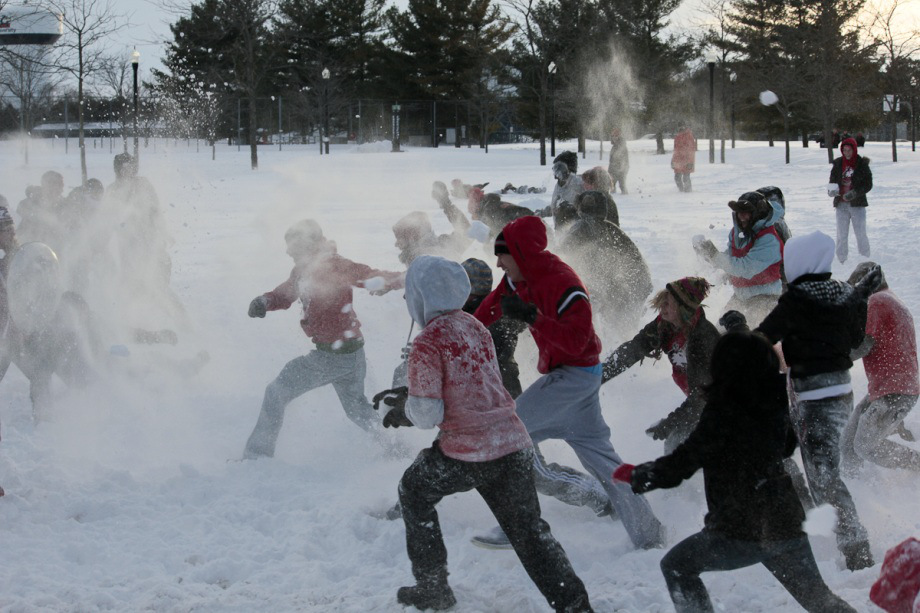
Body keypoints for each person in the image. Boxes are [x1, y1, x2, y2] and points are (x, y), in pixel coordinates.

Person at [382, 255, 594, 612]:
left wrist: (401, 409)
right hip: (512, 444)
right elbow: (472, 386)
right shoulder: (474, 325)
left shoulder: (427, 343)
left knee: (414, 491)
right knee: (530, 534)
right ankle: (575, 605)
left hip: (466, 452)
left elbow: (427, 413)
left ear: (421, 295)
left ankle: (433, 587)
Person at [613, 331, 858, 613]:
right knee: (819, 599)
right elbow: (787, 446)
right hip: (785, 520)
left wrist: (639, 475)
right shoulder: (776, 399)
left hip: (742, 528)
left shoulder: (722, 410)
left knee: (676, 567)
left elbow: (685, 460)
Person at [471, 215, 665, 551]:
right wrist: (458, 334)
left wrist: (532, 317)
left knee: (506, 433)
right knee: (605, 465)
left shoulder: (565, 284)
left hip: (573, 375)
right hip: (578, 380)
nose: (497, 261)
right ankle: (651, 536)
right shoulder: (518, 279)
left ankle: (520, 523)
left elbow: (577, 342)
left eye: (503, 255)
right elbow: (489, 311)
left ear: (522, 254)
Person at [754, 230, 876, 571]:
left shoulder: (796, 299)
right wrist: (860, 299)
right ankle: (813, 517)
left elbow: (764, 337)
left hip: (813, 396)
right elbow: (854, 340)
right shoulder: (843, 293)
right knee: (801, 462)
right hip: (840, 391)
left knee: (823, 473)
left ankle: (856, 546)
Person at [242, 219, 403, 459]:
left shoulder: (336, 265)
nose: (288, 252)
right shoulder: (302, 270)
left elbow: (370, 275)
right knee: (358, 411)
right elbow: (285, 293)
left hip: (333, 356)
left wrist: (408, 277)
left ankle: (256, 457)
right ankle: (397, 451)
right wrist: (265, 301)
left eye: (293, 247)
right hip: (351, 353)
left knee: (276, 392)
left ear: (309, 244)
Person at [602, 277, 719, 453]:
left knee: (679, 446)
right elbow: (634, 349)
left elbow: (702, 398)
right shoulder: (664, 327)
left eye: (668, 302)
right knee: (677, 446)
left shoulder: (702, 338)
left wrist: (671, 422)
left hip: (726, 403)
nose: (662, 305)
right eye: (663, 299)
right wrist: (596, 376)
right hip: (699, 401)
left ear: (683, 309)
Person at [841, 262, 920, 473]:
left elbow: (864, 344)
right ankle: (854, 487)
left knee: (865, 445)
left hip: (894, 391)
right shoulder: (890, 298)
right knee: (848, 443)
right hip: (890, 388)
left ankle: (917, 464)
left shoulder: (877, 302)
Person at [560, 191, 650, 333]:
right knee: (617, 331)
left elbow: (562, 254)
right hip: (619, 287)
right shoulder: (611, 229)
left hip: (608, 289)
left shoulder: (580, 228)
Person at [694, 190, 785, 326]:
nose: (742, 217)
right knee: (721, 330)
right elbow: (730, 257)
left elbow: (745, 269)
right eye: (739, 212)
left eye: (747, 212)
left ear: (758, 213)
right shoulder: (737, 232)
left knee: (750, 338)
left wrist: (715, 256)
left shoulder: (769, 239)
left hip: (765, 298)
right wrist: (707, 255)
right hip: (741, 296)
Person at [829, 136, 872, 263]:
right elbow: (832, 181)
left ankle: (865, 259)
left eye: (849, 150)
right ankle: (841, 259)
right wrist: (832, 190)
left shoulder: (862, 164)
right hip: (841, 205)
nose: (847, 153)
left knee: (861, 233)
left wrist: (854, 193)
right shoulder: (837, 164)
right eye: (845, 150)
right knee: (841, 235)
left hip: (857, 205)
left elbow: (868, 184)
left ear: (854, 150)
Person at [671, 126, 696, 192]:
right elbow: (676, 149)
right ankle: (681, 191)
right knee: (677, 177)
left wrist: (690, 161)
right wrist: (673, 160)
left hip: (687, 159)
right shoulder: (677, 137)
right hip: (678, 159)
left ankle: (688, 192)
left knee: (686, 177)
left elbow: (691, 149)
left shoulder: (689, 136)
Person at [608, 127, 629, 194]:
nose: (614, 134)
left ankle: (625, 198)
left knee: (622, 185)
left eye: (616, 132)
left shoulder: (621, 142)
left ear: (619, 133)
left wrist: (623, 167)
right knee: (612, 185)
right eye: (613, 132)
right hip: (613, 167)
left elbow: (621, 154)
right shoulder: (614, 145)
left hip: (621, 167)